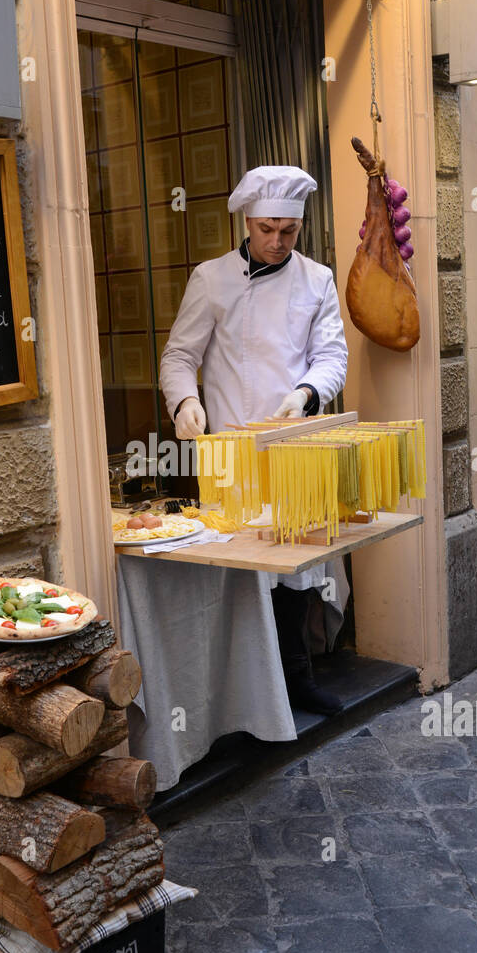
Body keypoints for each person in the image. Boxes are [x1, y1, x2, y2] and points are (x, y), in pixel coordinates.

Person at [159, 165, 350, 714]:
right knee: (243, 578)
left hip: (295, 445)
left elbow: (332, 355)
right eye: (267, 229)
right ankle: (245, 700)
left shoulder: (317, 279)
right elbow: (179, 357)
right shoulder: (212, 278)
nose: (276, 242)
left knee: (296, 575)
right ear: (248, 221)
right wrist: (185, 401)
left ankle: (297, 682)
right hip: (232, 454)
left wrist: (308, 394)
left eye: (287, 232)